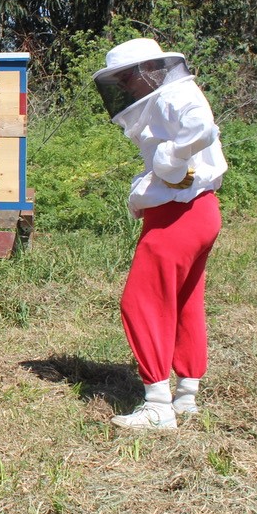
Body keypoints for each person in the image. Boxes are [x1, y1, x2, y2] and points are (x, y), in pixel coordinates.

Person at [92, 37, 228, 429]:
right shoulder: (171, 96)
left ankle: (157, 405)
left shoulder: (173, 95)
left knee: (142, 302)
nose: (124, 87)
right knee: (185, 301)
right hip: (197, 212)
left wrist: (175, 157)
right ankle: (185, 396)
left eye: (126, 79)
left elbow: (202, 128)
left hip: (178, 216)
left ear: (148, 71)